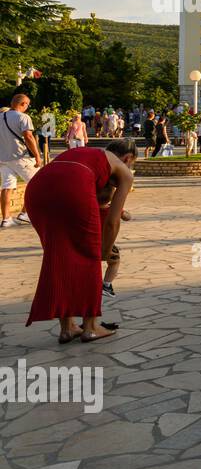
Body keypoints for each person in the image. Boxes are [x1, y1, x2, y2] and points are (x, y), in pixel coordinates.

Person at [25, 140, 135, 342]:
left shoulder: (87, 153)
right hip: (71, 187)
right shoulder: (124, 171)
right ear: (128, 159)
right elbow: (112, 221)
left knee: (58, 255)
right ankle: (91, 327)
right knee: (88, 256)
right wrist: (104, 251)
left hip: (35, 191)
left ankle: (67, 328)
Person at [99, 139, 138, 298]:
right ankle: (106, 285)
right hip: (102, 239)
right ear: (128, 158)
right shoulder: (110, 210)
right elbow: (116, 221)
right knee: (114, 260)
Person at [1, 94, 43, 227]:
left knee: (7, 187)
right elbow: (28, 136)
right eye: (28, 105)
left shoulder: (1, 116)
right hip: (21, 157)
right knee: (39, 183)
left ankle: (6, 219)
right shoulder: (23, 117)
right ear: (23, 104)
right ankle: (24, 214)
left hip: (3, 158)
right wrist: (37, 155)